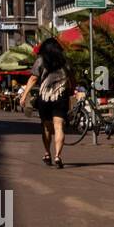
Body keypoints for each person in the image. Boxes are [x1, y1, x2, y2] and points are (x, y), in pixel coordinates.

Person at [18, 38, 74, 168]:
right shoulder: (66, 61)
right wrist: (71, 90)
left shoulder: (41, 60)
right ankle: (57, 156)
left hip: (45, 97)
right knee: (59, 127)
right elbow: (72, 78)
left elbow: (33, 78)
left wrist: (24, 95)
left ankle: (47, 153)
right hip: (61, 97)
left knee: (46, 127)